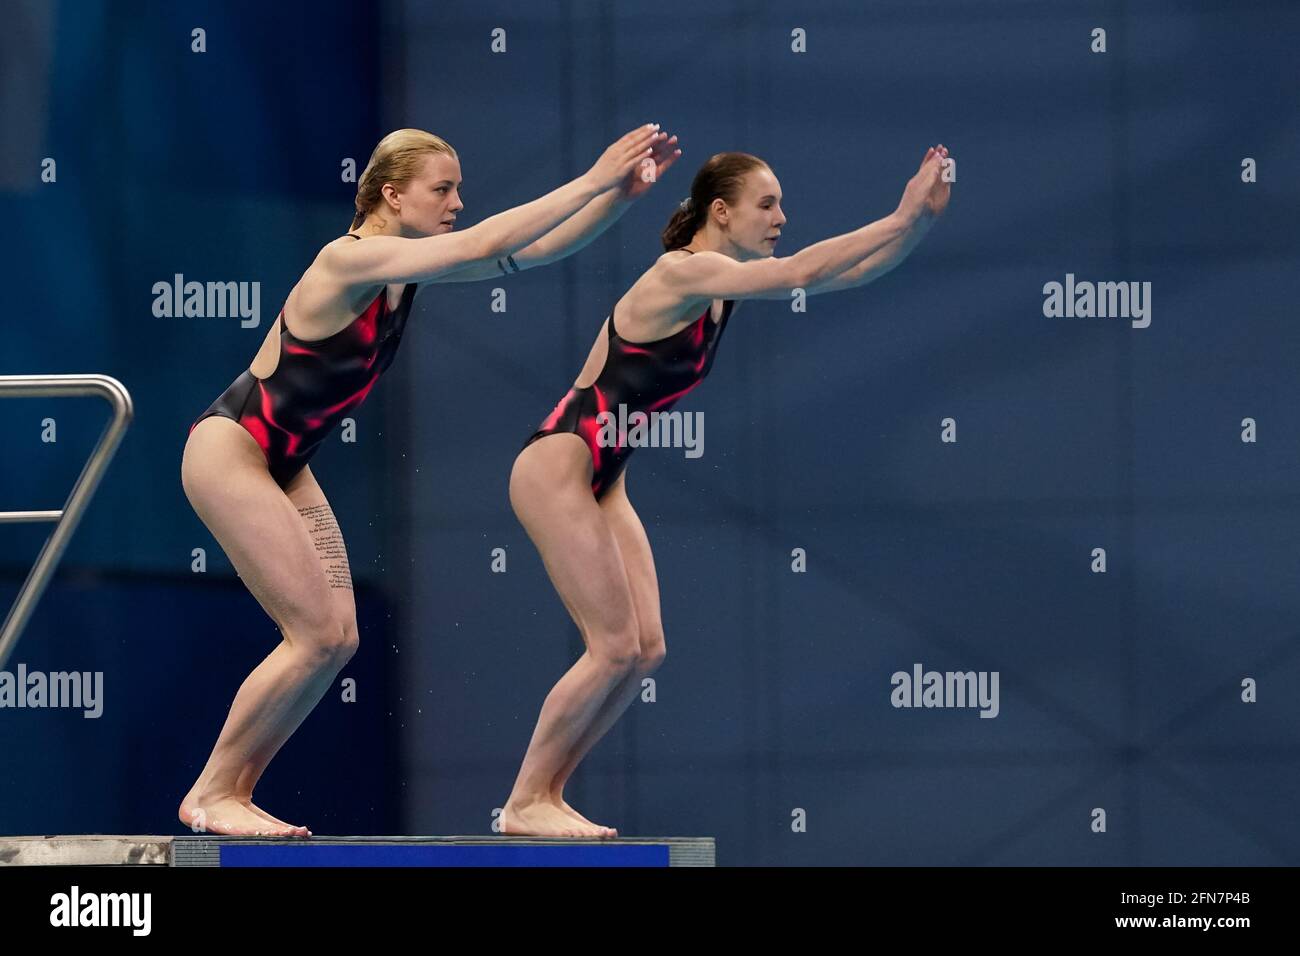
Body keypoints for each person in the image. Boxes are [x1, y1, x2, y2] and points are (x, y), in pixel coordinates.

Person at [179, 123, 679, 837]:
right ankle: (211, 790)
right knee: (314, 633)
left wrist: (618, 199)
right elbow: (483, 244)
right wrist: (594, 176)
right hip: (233, 452)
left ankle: (234, 790)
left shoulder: (400, 271)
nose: (456, 202)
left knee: (335, 641)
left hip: (284, 463)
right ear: (391, 194)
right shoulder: (345, 260)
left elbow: (522, 256)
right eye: (442, 189)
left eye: (458, 190)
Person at [503, 145, 953, 837]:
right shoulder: (679, 275)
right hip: (557, 468)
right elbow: (803, 268)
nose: (781, 216)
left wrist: (915, 224)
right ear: (721, 211)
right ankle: (525, 800)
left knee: (644, 650)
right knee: (613, 648)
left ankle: (549, 795)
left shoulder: (720, 287)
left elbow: (843, 275)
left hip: (604, 479)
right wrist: (894, 214)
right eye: (766, 204)